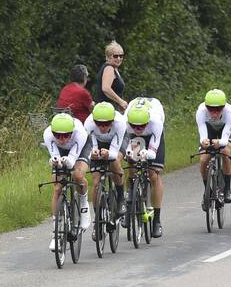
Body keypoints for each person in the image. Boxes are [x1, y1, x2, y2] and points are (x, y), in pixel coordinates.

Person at [75, 102, 127, 232]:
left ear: (112, 121)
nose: (103, 127)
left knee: (114, 161)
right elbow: (89, 143)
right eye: (99, 124)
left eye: (107, 124)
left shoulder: (120, 123)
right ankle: (97, 218)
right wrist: (94, 152)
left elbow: (114, 151)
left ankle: (121, 199)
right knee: (96, 182)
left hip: (116, 143)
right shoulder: (89, 123)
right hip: (97, 142)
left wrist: (108, 154)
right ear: (94, 121)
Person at [42, 112, 88, 251]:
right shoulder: (48, 134)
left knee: (77, 176)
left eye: (66, 135)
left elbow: (72, 158)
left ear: (72, 132)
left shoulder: (80, 133)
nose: (62, 139)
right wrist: (55, 161)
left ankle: (83, 204)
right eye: (58, 136)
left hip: (80, 150)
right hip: (61, 152)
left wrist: (69, 161)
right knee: (57, 187)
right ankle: (56, 233)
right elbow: (55, 156)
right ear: (53, 133)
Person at [123, 97, 166, 239]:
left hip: (153, 137)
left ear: (146, 122)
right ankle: (130, 197)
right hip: (134, 139)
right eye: (135, 126)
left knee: (153, 173)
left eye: (141, 126)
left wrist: (147, 153)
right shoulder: (126, 123)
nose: (138, 129)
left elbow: (153, 151)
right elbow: (124, 144)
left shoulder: (155, 121)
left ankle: (157, 220)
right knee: (131, 164)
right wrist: (129, 153)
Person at [195, 89, 231, 207]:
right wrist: (204, 141)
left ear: (223, 107)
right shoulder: (201, 111)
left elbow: (225, 138)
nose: (214, 113)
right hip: (209, 129)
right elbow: (203, 134)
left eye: (218, 109)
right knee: (203, 160)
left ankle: (227, 188)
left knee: (225, 152)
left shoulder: (229, 112)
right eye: (211, 109)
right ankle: (207, 191)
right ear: (206, 107)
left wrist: (221, 142)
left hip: (224, 131)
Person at [93, 42, 129, 113]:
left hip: (110, 109)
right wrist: (120, 101)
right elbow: (106, 88)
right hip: (105, 110)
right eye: (115, 56)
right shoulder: (109, 68)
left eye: (121, 56)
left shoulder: (114, 68)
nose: (119, 58)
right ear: (108, 57)